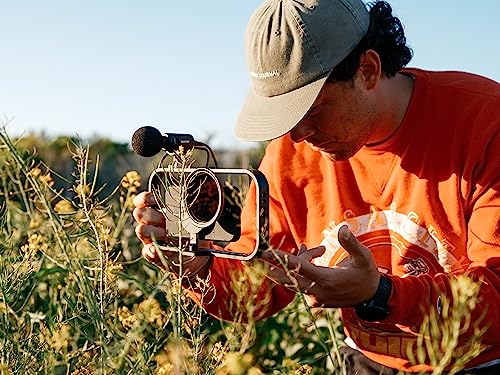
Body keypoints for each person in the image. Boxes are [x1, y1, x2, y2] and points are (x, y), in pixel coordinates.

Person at [133, 0, 500, 373]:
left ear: (368, 71)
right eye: (287, 117)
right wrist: (198, 268)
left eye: (312, 109)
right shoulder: (291, 152)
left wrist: (380, 295)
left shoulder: (485, 122)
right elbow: (255, 288)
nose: (298, 133)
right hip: (366, 361)